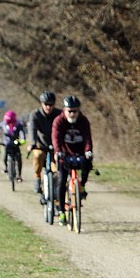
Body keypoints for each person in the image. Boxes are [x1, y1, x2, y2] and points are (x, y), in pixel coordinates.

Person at [52, 95, 93, 225]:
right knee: (61, 180)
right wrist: (58, 151)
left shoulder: (83, 121)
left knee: (88, 163)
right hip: (64, 154)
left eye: (75, 111)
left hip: (79, 152)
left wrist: (88, 150)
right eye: (69, 111)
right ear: (64, 110)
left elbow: (87, 138)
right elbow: (56, 138)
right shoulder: (59, 121)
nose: (72, 113)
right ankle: (61, 212)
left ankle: (82, 186)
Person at [27, 91, 62, 200]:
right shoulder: (35, 114)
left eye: (51, 104)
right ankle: (37, 178)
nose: (48, 107)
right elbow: (32, 129)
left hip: (55, 147)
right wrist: (33, 143)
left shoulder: (59, 114)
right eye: (46, 104)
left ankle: (55, 192)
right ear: (41, 104)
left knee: (58, 168)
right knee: (38, 156)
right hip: (40, 145)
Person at [0, 110, 26, 180]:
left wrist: (22, 141)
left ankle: (19, 175)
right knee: (4, 155)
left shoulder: (18, 124)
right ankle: (5, 167)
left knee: (19, 157)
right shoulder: (4, 123)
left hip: (15, 143)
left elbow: (22, 134)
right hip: (6, 143)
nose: (8, 123)